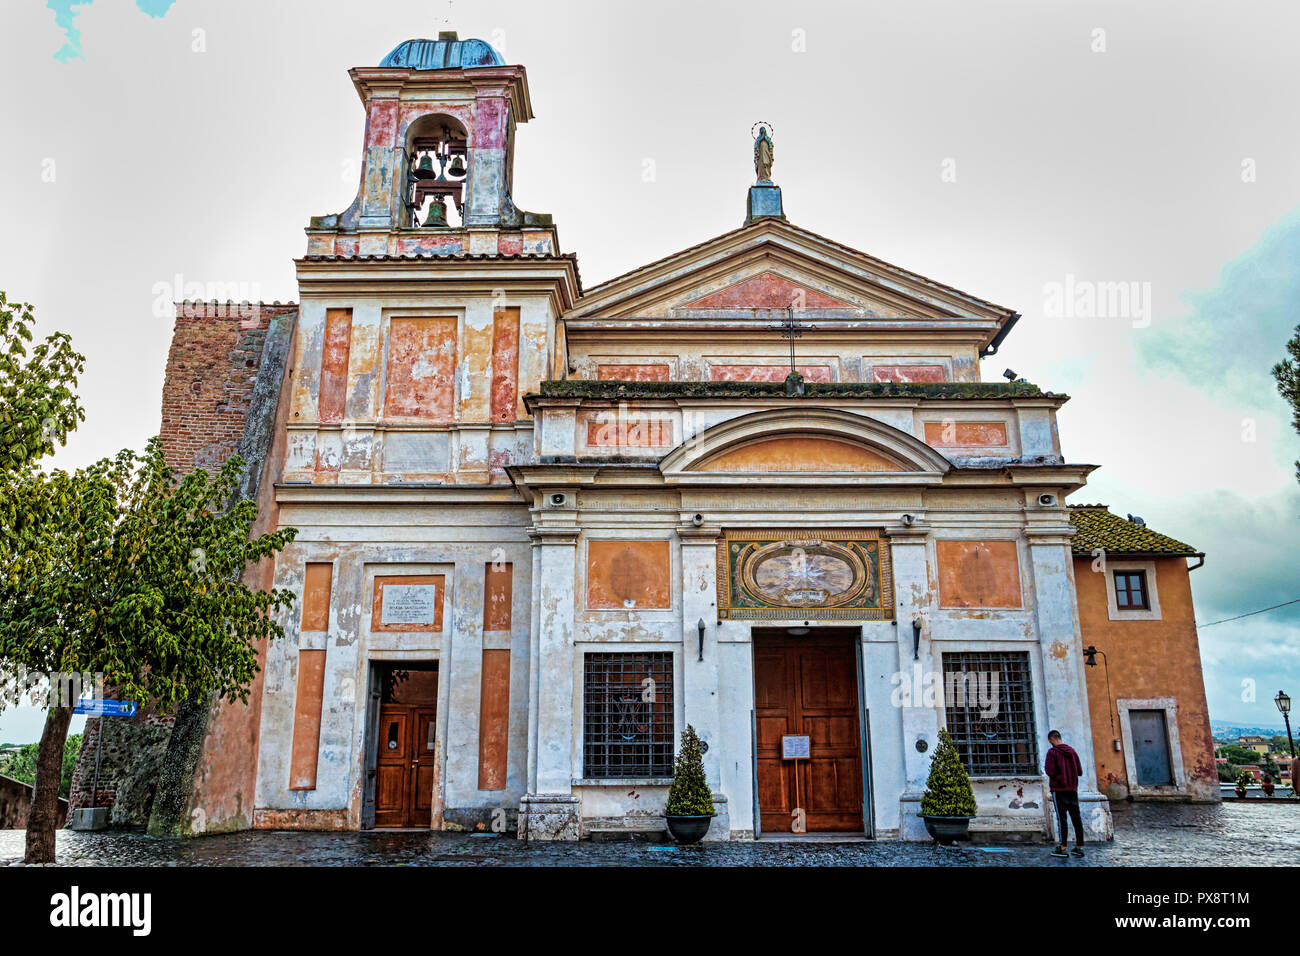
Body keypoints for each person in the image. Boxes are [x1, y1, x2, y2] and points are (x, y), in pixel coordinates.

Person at [1044, 729, 1084, 858]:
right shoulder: (1072, 751)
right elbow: (1079, 771)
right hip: (1072, 789)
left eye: (1050, 741)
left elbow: (1050, 771)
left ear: (1051, 739)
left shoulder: (1052, 752)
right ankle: (1079, 847)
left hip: (1059, 790)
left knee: (1062, 819)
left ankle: (1062, 847)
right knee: (1076, 818)